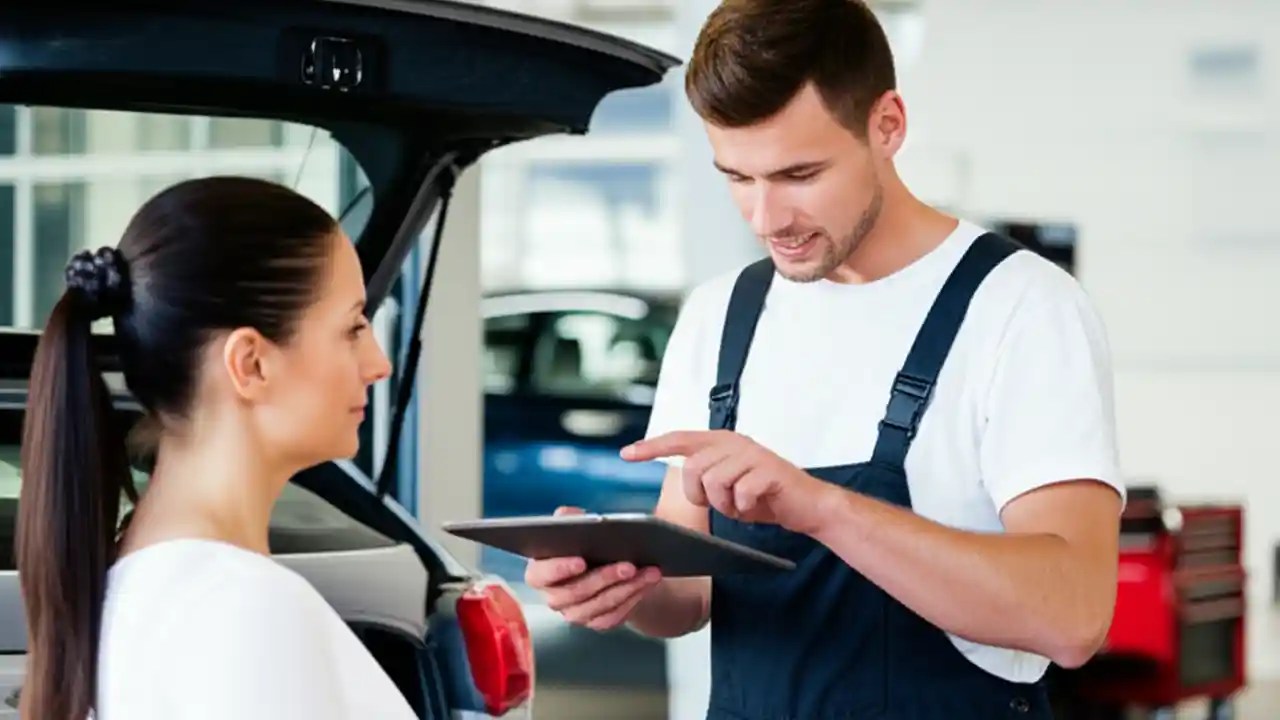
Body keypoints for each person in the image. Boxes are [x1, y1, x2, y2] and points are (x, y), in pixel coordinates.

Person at [525, 1, 1124, 718]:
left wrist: (823, 511)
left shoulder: (1022, 308)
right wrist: (621, 583)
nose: (766, 219)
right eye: (738, 178)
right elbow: (687, 598)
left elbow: (1074, 616)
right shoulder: (719, 318)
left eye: (799, 174)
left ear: (888, 125)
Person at [15, 176, 416, 720]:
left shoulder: (131, 590)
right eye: (353, 327)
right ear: (250, 364)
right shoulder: (246, 607)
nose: (378, 364)